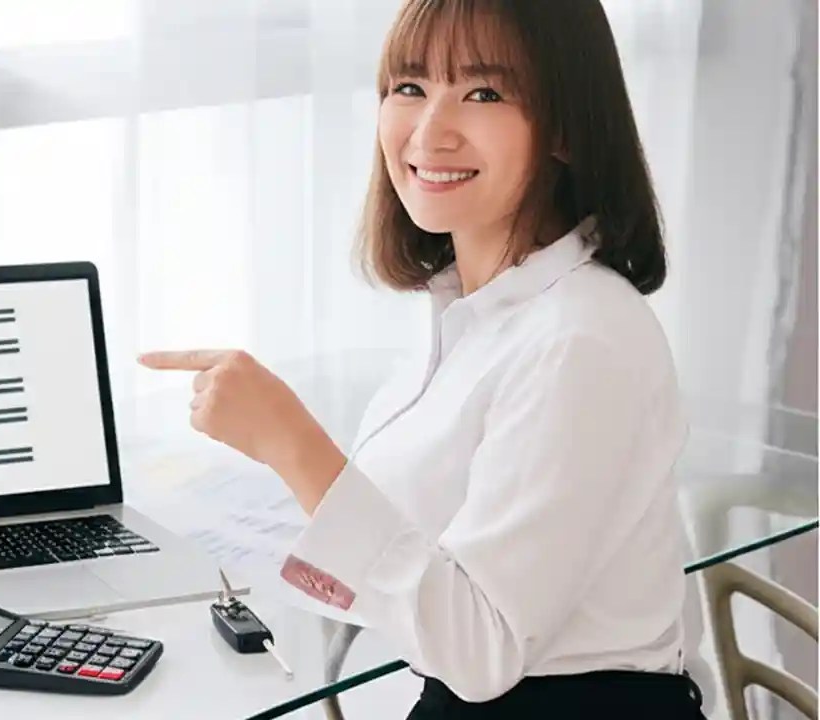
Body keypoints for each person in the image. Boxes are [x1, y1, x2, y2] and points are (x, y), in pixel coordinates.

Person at [138, 0, 707, 717]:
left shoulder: (580, 341)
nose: (429, 131)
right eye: (409, 88)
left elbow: (479, 650)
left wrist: (292, 443)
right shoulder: (471, 314)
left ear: (564, 127)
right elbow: (410, 549)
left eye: (484, 93)